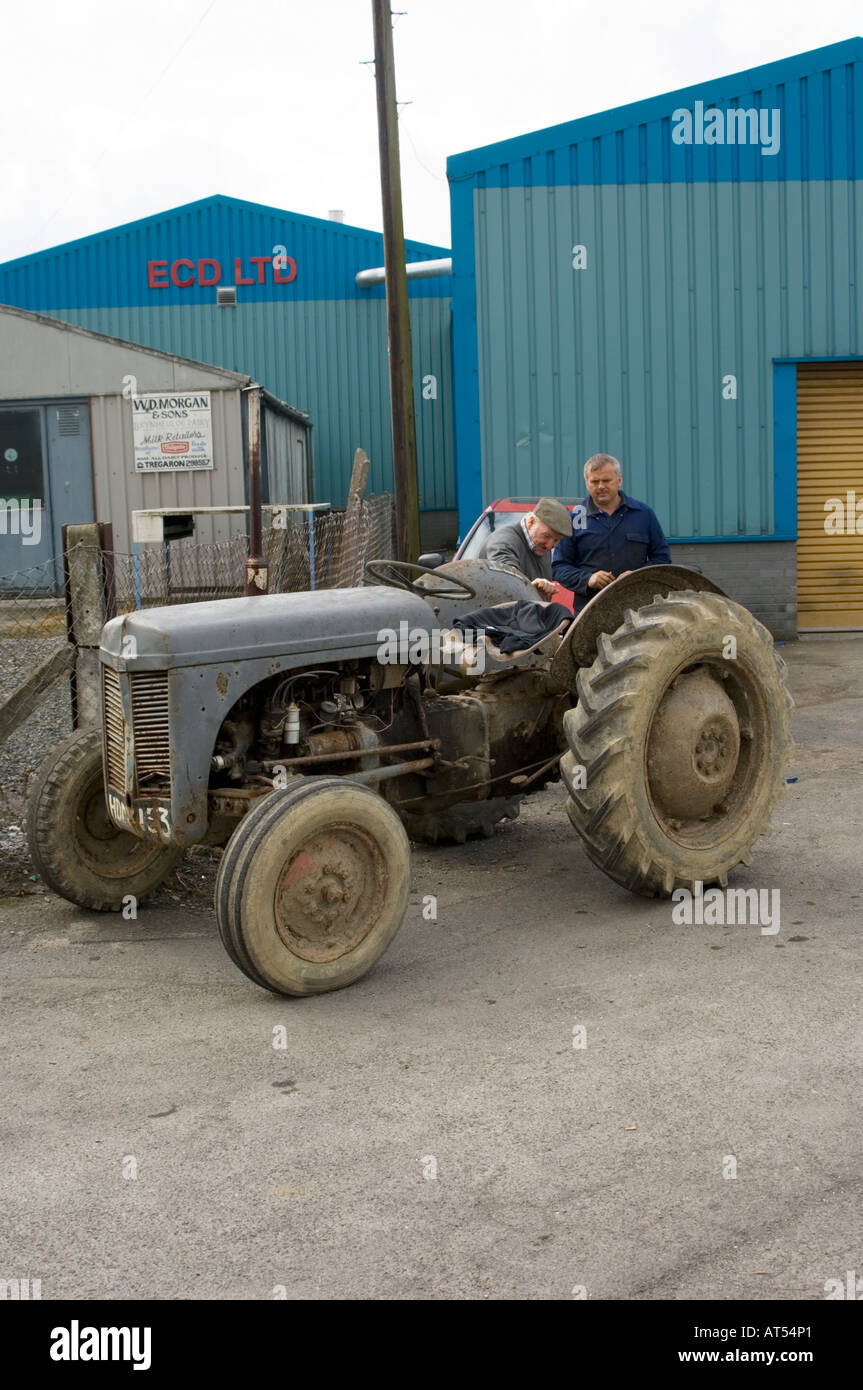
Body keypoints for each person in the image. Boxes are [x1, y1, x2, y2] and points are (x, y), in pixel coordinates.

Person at [552, 454, 670, 616]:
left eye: (606, 480)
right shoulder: (574, 519)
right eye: (594, 481)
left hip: (639, 609)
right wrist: (588, 579)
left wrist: (637, 576)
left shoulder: (644, 514)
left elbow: (662, 559)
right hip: (590, 613)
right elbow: (559, 567)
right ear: (587, 483)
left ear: (619, 481)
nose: (600, 486)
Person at [480, 497, 573, 600]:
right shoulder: (502, 542)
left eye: (556, 540)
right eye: (546, 536)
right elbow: (506, 579)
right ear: (531, 522)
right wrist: (530, 589)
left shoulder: (541, 545)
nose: (549, 546)